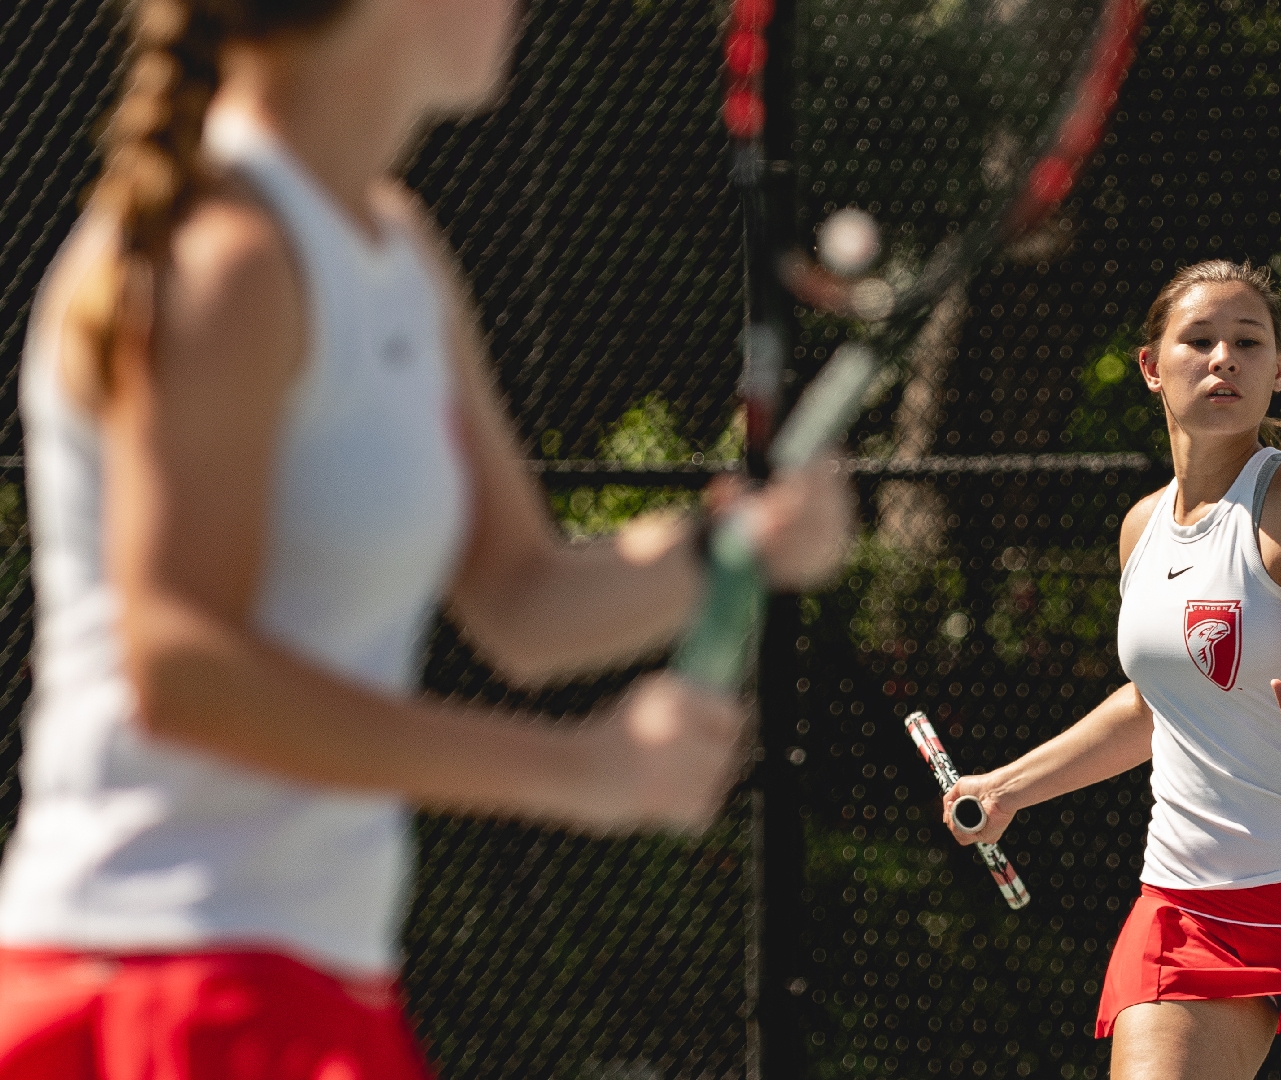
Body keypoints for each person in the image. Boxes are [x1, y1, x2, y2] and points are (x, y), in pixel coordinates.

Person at [0, 0, 852, 1075]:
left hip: (307, 984)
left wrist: (735, 545)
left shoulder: (394, 245)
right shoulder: (226, 257)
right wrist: (579, 770)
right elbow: (180, 668)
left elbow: (522, 599)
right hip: (153, 984)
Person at [944, 261, 1281, 1080]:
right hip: (1192, 908)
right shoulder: (1141, 529)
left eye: (1247, 342)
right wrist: (1008, 789)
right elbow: (1158, 704)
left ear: (1278, 371)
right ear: (1150, 366)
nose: (1221, 360)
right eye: (1197, 341)